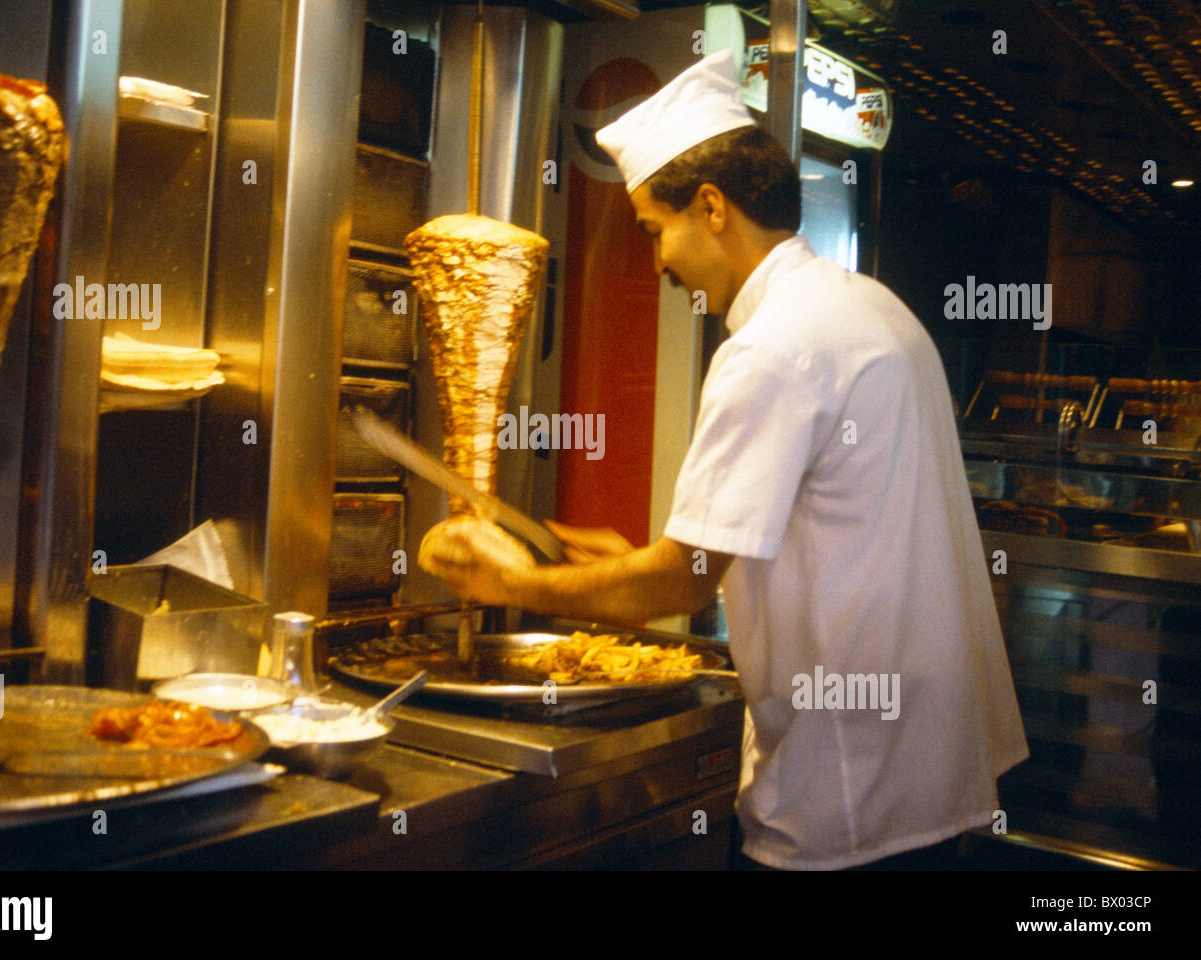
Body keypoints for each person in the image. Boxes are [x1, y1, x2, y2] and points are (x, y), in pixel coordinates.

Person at [427, 48, 1029, 870]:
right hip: (929, 780)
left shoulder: (768, 348)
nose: (657, 263)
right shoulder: (872, 309)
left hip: (845, 799)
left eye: (652, 230)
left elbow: (683, 579)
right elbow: (801, 539)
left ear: (710, 206)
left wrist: (514, 583)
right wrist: (644, 560)